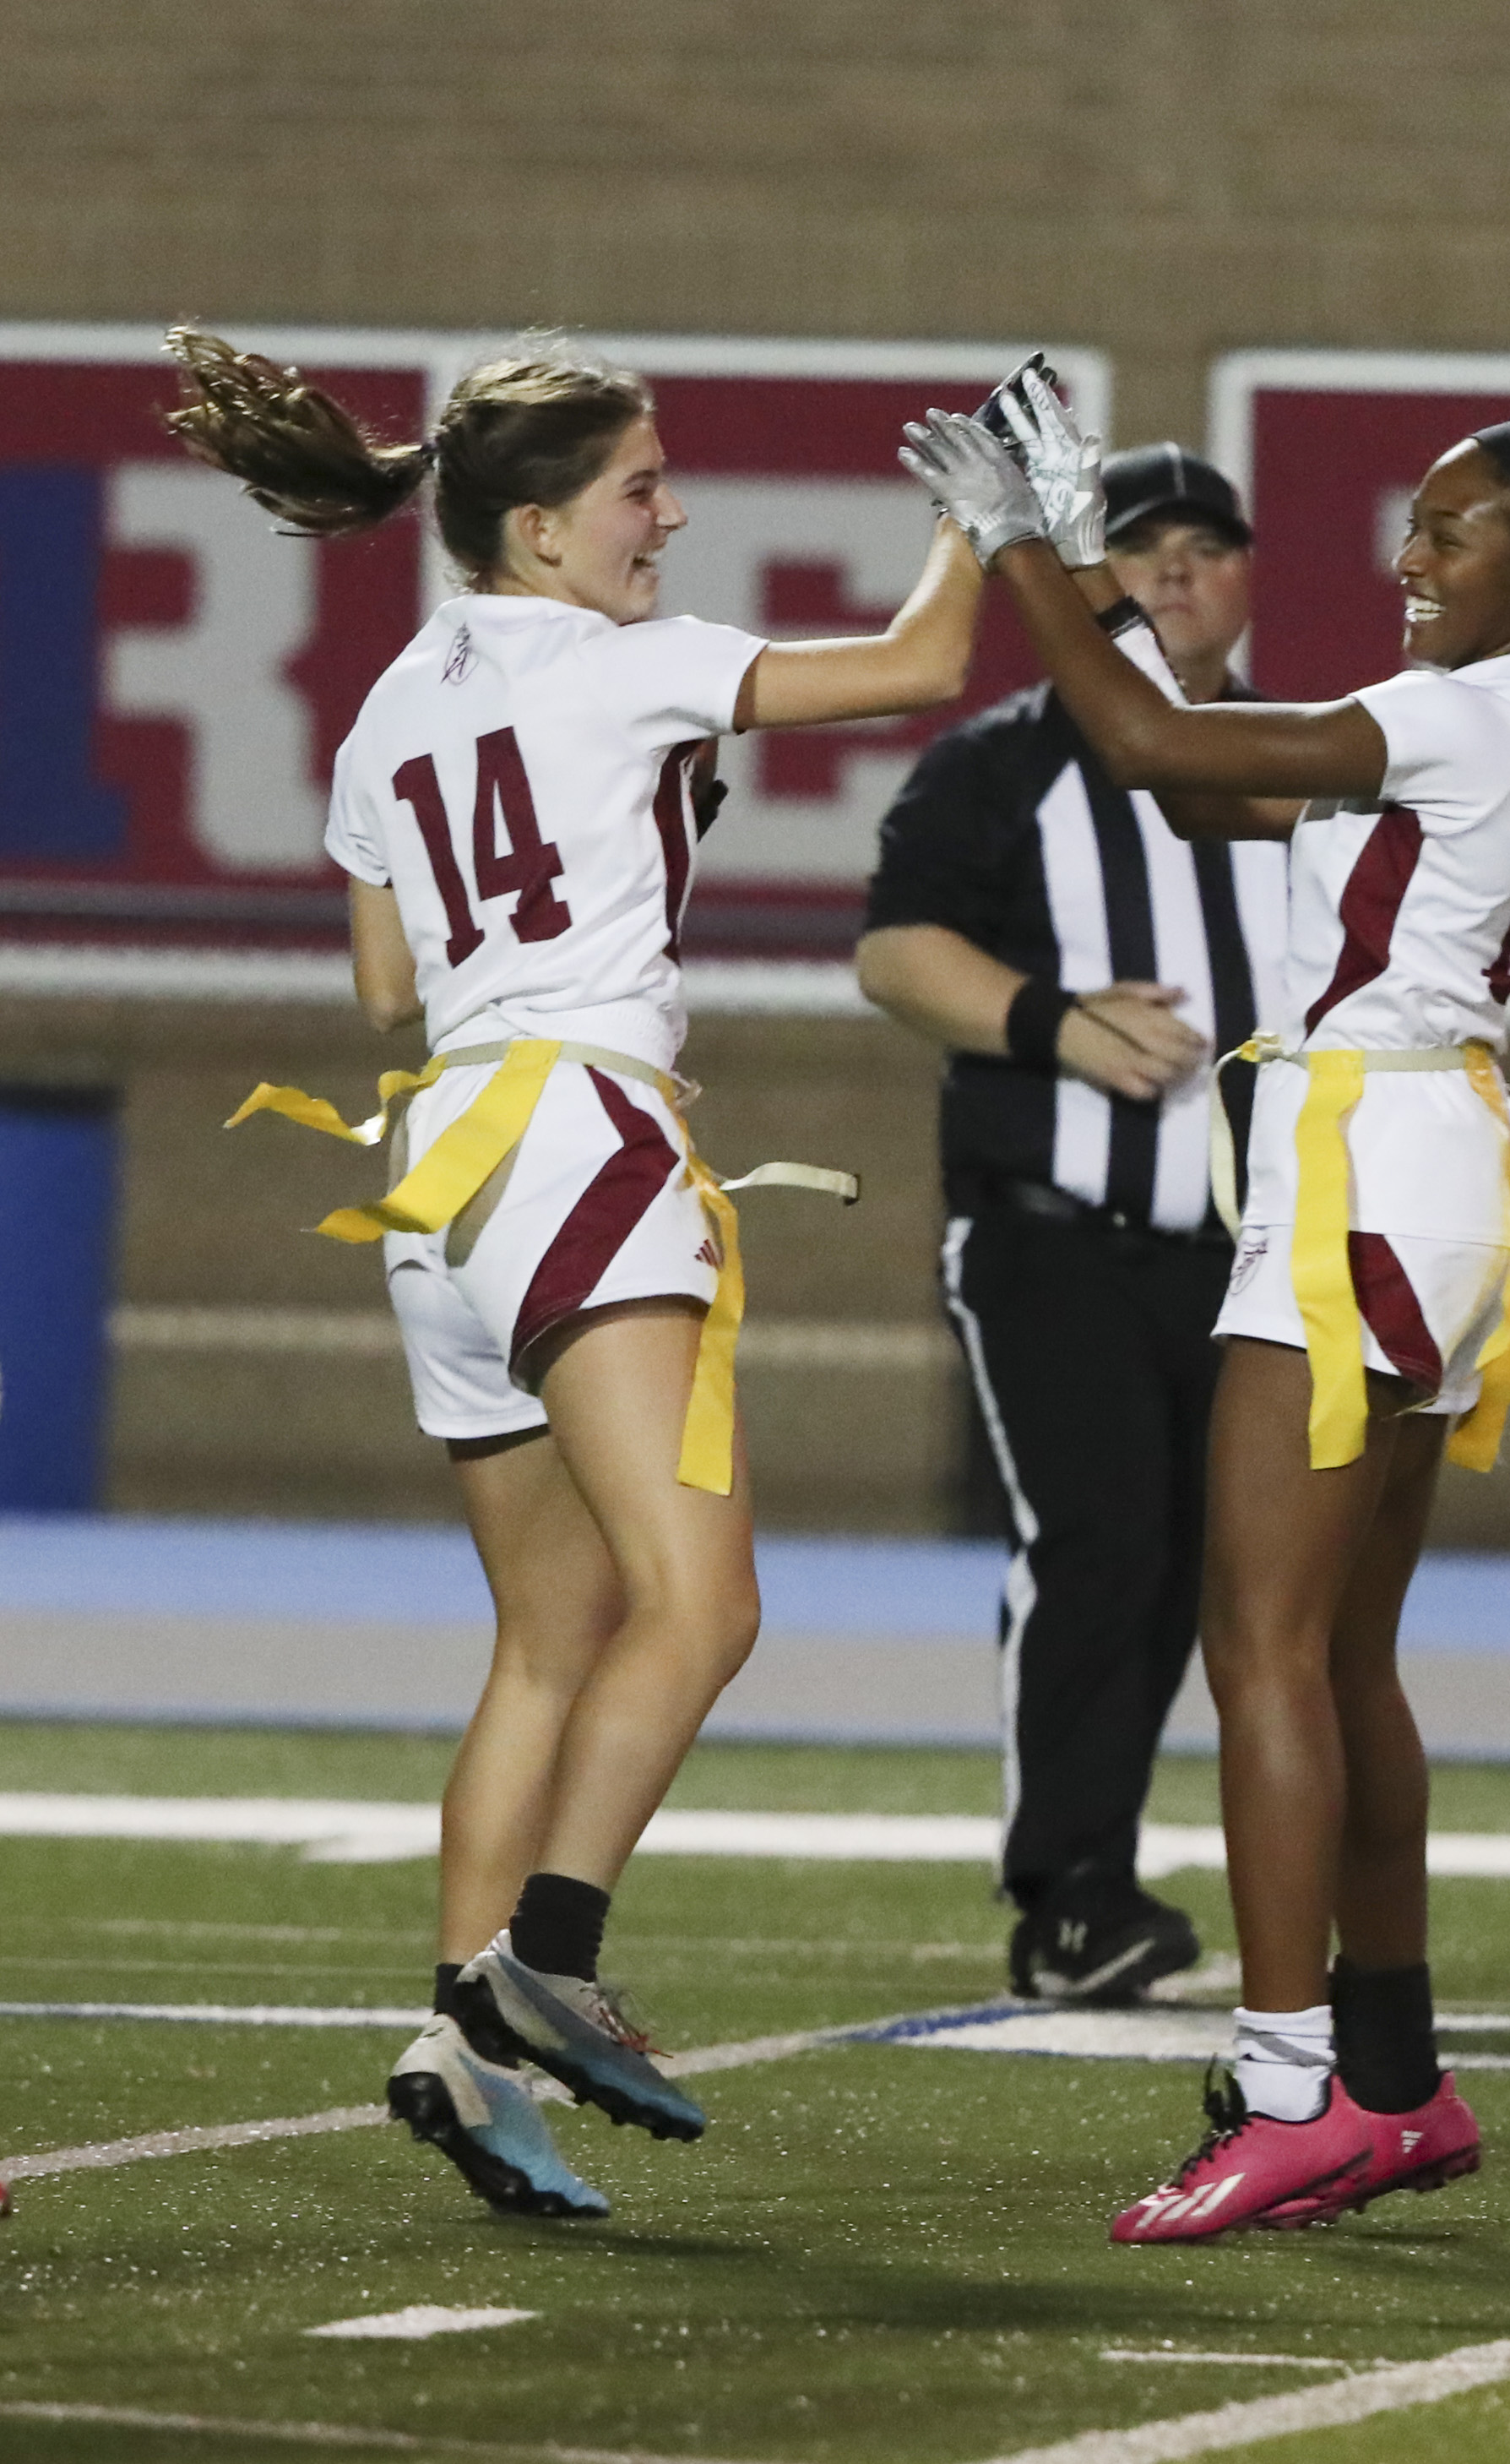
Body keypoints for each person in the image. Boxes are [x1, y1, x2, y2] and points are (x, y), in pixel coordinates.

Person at [902, 375, 1510, 2239]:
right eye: (1415, 527)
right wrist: (1093, 589)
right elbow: (1203, 764)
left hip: (1364, 1163)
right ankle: (1398, 2070)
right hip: (1430, 1164)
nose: (1410, 560)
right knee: (1342, 1654)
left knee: (1257, 1642)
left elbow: (1145, 742)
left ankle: (1288, 2087)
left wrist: (1030, 544)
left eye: (1452, 535)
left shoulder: (1462, 705)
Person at [167, 328, 982, 2218]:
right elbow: (928, 664)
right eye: (639, 485)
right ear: (538, 530)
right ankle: (546, 1953)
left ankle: (456, 2041)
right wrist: (983, 528)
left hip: (437, 1168)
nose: (670, 511)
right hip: (580, 1141)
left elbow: (386, 990)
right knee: (702, 1608)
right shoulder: (631, 664)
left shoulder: (386, 700)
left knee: (544, 1639)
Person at [856, 446, 1287, 2004]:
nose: (1174, 574)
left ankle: (1285, 1886)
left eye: (1206, 547)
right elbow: (897, 951)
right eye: (1140, 547)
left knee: (1242, 1581)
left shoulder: (1304, 756)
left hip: (1258, 1249)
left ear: (1250, 574)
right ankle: (1074, 1893)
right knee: (1105, 1542)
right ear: (1086, 577)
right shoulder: (999, 765)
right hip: (1058, 1227)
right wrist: (1051, 1021)